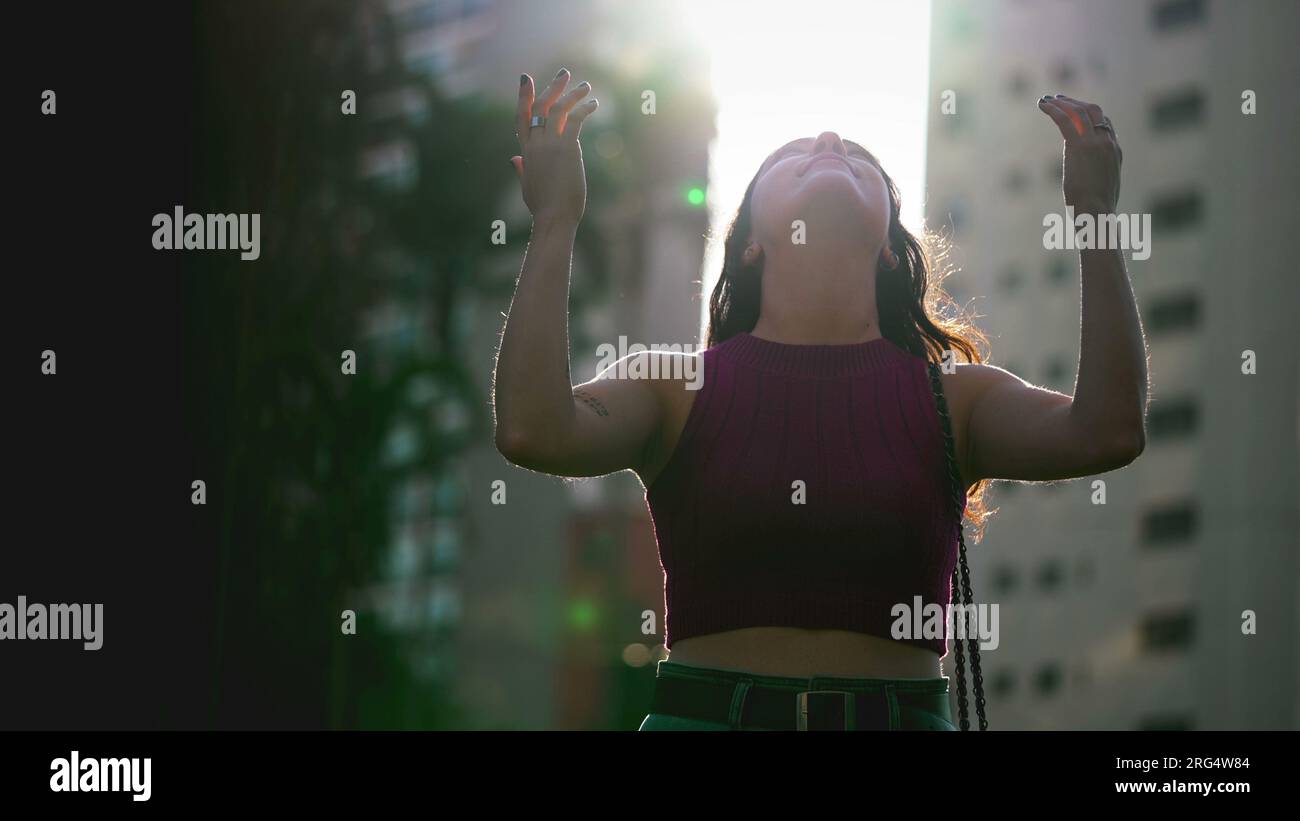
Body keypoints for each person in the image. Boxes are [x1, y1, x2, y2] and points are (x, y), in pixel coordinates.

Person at [493, 68, 1148, 730]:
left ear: (890, 249)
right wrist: (555, 218)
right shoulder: (673, 387)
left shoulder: (955, 399)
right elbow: (533, 430)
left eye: (860, 157)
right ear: (750, 240)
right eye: (793, 154)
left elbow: (1108, 431)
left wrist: (1096, 214)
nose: (832, 140)